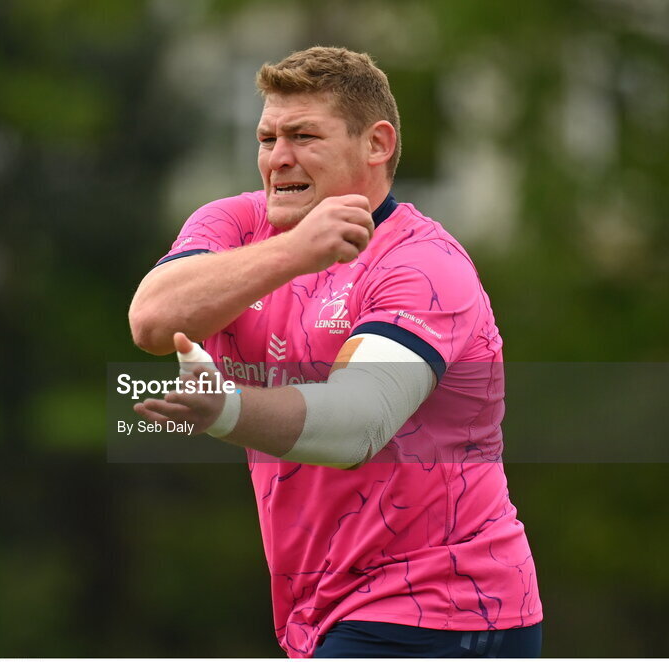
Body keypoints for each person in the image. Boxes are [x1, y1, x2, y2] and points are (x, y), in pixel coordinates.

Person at [128, 46, 542, 658]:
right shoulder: (239, 225)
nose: (279, 158)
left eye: (303, 136)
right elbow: (153, 320)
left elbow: (356, 425)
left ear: (376, 144)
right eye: (267, 138)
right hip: (323, 605)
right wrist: (297, 249)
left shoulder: (425, 265)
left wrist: (227, 410)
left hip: (444, 604)